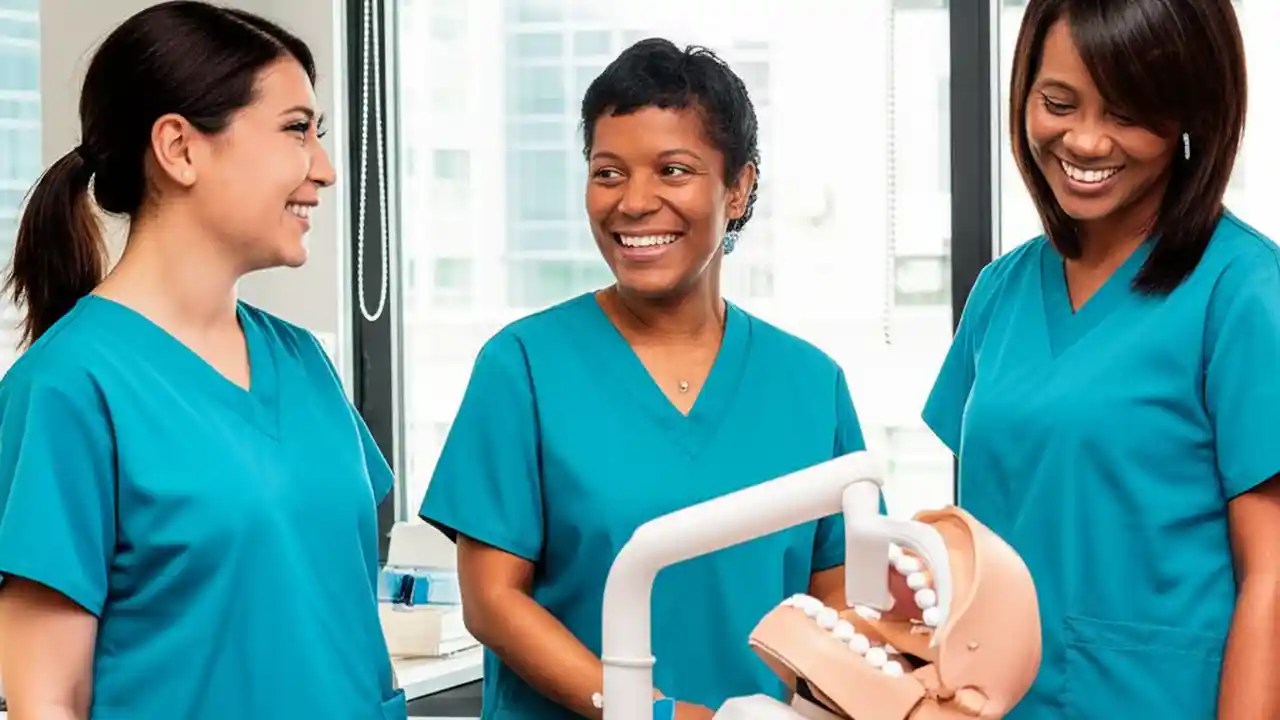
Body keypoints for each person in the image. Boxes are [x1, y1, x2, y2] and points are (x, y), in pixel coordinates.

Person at [418, 38, 925, 719]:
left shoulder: (809, 385)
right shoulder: (523, 367)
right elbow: (492, 601)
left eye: (673, 170)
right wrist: (652, 713)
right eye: (607, 173)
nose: (634, 202)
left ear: (738, 188)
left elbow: (840, 600)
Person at [0, 3, 405, 719]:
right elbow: (48, 698)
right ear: (180, 148)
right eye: (296, 130)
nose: (325, 169)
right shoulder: (68, 389)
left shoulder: (303, 361)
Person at [923, 0, 1280, 717]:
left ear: (1191, 114)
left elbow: (1272, 574)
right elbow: (976, 539)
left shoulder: (1244, 291)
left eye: (1126, 113)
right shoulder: (1000, 291)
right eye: (1059, 104)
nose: (1085, 141)